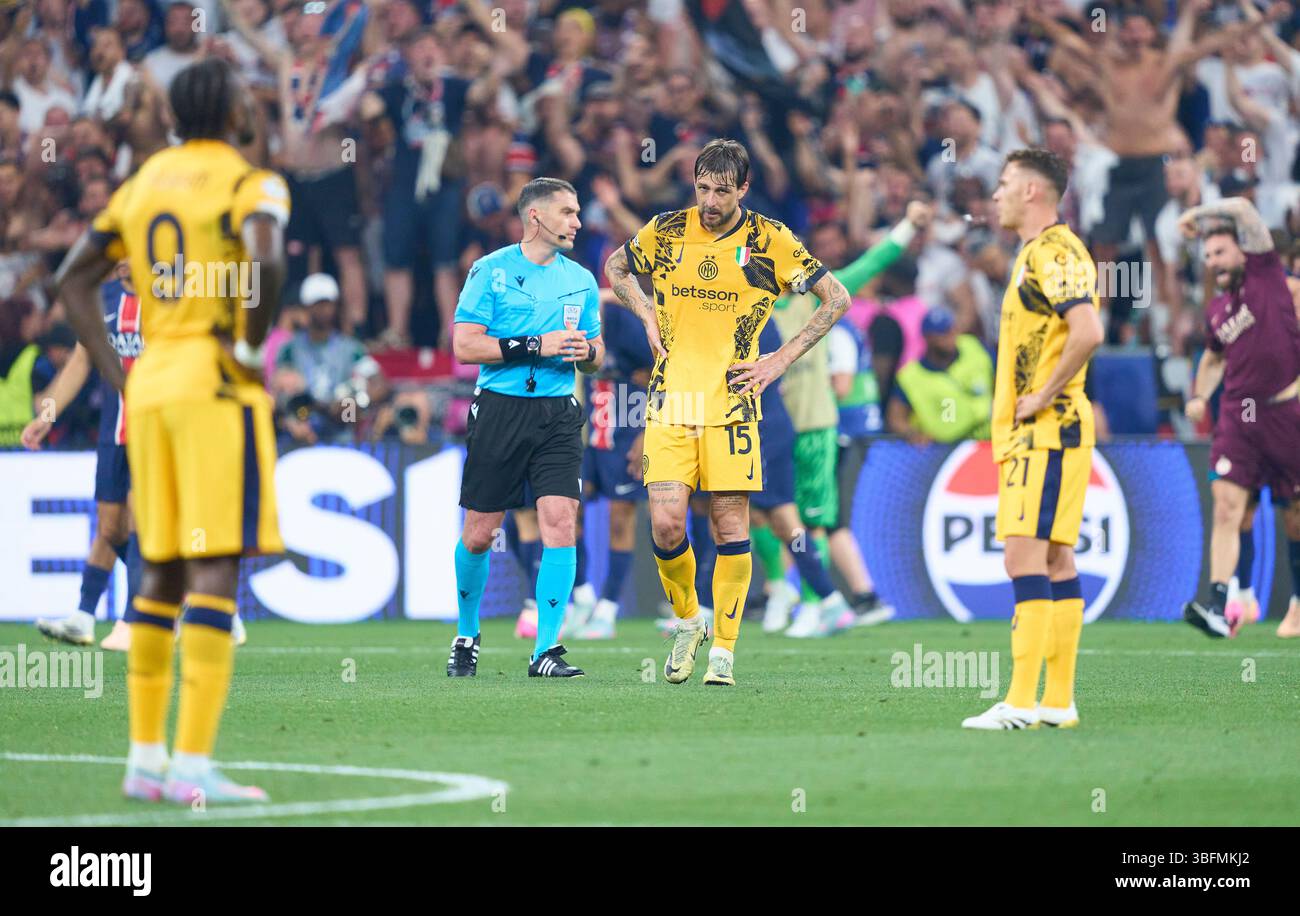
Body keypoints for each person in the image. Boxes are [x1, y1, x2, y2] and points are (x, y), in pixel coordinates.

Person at [55, 58, 289, 802]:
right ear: (231, 111)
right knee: (215, 565)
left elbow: (71, 279)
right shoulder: (252, 180)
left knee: (158, 565)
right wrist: (250, 349)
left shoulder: (142, 181)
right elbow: (268, 255)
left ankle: (143, 760)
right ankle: (193, 764)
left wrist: (119, 374)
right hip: (215, 381)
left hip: (149, 386)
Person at [605, 138, 853, 687]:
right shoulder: (668, 229)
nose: (710, 201)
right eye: (702, 188)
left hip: (733, 404)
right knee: (667, 523)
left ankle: (724, 650)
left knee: (729, 522)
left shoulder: (770, 240)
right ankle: (689, 621)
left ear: (743, 188)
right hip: (672, 401)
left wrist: (778, 361)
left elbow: (836, 298)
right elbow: (617, 266)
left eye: (722, 190)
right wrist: (645, 312)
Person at [962, 148, 1104, 731]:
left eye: (1003, 184)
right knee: (1054, 556)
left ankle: (1020, 701)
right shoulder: (1032, 253)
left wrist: (1043, 394)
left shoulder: (1056, 251)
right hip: (1043, 434)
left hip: (1047, 431)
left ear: (1031, 193)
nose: (994, 195)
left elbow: (1089, 330)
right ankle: (1058, 702)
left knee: (1023, 554)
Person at [449, 176, 603, 678]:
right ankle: (467, 634)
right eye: (568, 213)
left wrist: (588, 354)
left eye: (578, 213)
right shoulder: (489, 271)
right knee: (479, 533)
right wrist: (536, 345)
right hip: (500, 410)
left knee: (560, 521)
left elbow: (596, 354)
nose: (577, 222)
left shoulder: (581, 279)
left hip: (558, 413)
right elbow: (465, 346)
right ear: (535, 217)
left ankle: (546, 650)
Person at [1179, 196, 1300, 639]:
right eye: (1208, 256)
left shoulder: (1267, 274)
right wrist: (1198, 396)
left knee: (1295, 515)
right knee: (1228, 508)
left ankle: (1297, 604)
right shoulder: (1217, 309)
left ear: (1242, 251)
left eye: (1221, 252)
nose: (1214, 262)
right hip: (1237, 416)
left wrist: (1198, 214)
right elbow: (1213, 360)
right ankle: (1218, 605)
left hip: (1286, 413)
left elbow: (1246, 210)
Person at [570, 294, 654, 639]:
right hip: (586, 432)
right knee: (568, 511)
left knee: (621, 517)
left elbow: (664, 372)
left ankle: (608, 608)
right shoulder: (567, 327)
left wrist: (649, 431)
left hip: (625, 432)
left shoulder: (626, 327)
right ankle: (583, 596)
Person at [887, 306, 993, 445]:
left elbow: (1003, 376)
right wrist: (912, 434)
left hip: (987, 443)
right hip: (943, 451)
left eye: (952, 329)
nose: (951, 335)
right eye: (943, 333)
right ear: (928, 338)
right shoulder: (911, 376)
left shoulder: (974, 347)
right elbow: (896, 418)